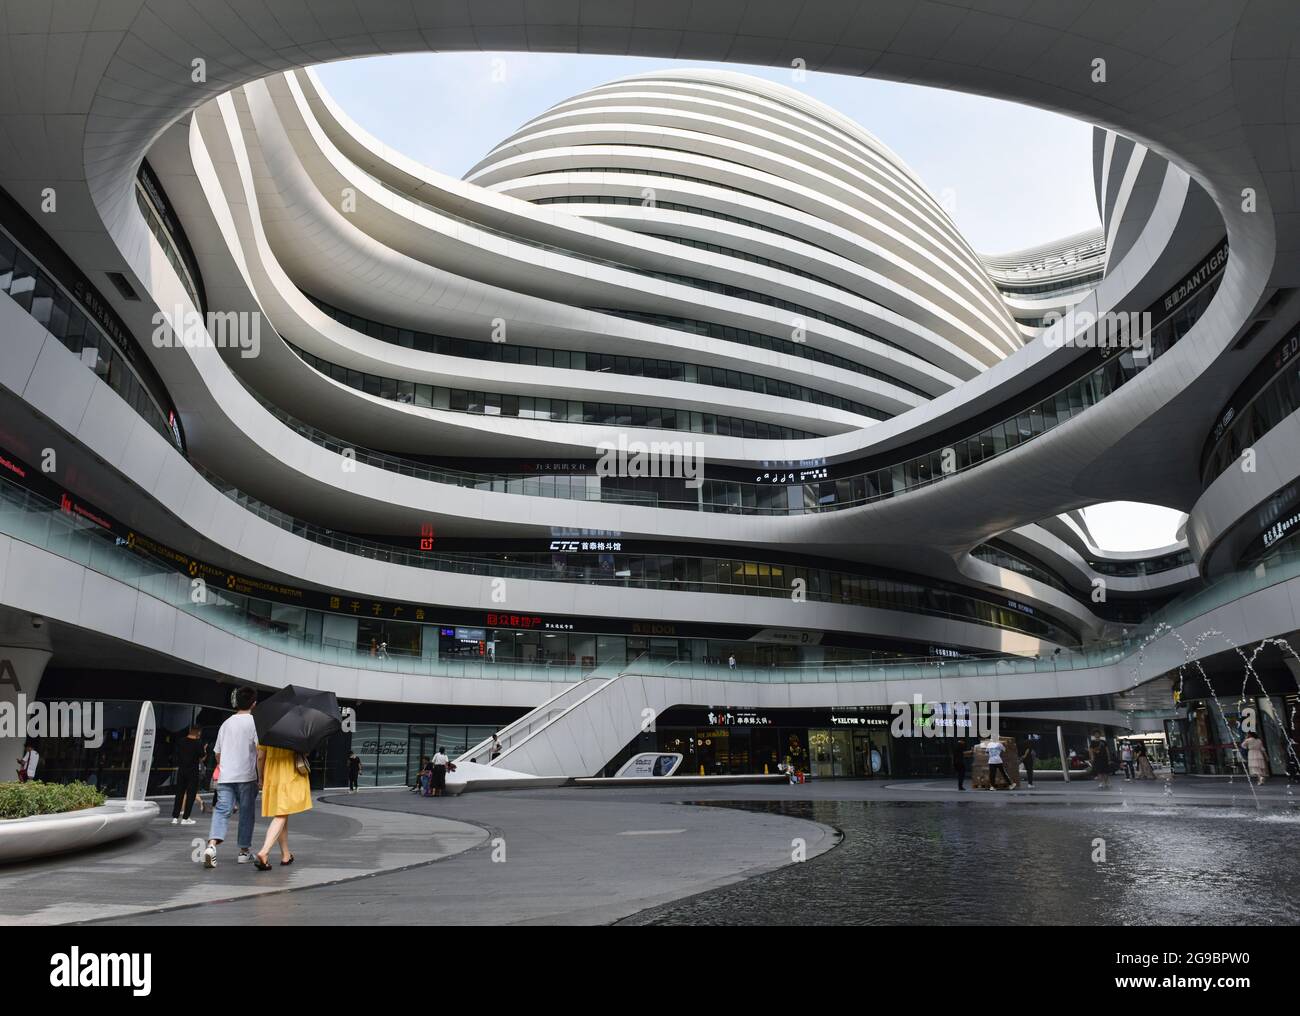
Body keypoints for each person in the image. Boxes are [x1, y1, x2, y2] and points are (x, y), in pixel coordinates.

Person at [203, 687, 259, 869]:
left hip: (226, 776)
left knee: (222, 810)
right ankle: (243, 852)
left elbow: (217, 752)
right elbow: (260, 753)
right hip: (246, 776)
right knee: (246, 814)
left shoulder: (226, 723)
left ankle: (211, 846)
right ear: (254, 703)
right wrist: (261, 777)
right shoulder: (254, 723)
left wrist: (224, 766)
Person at [252, 743, 312, 869]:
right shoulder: (296, 731)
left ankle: (285, 855)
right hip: (289, 775)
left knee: (282, 814)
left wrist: (261, 778)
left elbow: (260, 757)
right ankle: (264, 851)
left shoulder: (267, 731)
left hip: (272, 775)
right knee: (281, 815)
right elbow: (305, 753)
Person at [171, 726, 204, 824]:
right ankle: (185, 818)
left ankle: (175, 817)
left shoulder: (181, 741)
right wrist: (204, 750)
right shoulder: (198, 743)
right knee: (190, 794)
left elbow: (176, 755)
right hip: (193, 771)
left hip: (181, 770)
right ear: (198, 732)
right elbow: (202, 756)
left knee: (179, 793)